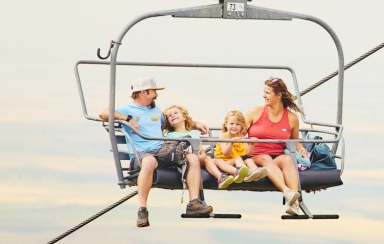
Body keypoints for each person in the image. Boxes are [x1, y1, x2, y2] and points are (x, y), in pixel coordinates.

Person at [99, 77, 212, 228]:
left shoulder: (156, 111)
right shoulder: (128, 109)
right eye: (154, 92)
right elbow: (104, 113)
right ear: (144, 92)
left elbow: (171, 123)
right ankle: (142, 209)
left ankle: (194, 203)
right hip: (142, 154)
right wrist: (127, 119)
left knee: (191, 157)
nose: (156, 95)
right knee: (149, 161)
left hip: (162, 152)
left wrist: (194, 124)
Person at [246, 77, 309, 215]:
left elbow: (295, 141)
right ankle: (287, 192)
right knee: (265, 159)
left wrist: (302, 149)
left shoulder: (291, 118)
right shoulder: (255, 112)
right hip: (255, 156)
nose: (264, 95)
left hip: (277, 156)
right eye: (264, 92)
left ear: (278, 95)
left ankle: (294, 205)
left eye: (267, 93)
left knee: (287, 159)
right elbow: (237, 132)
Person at [211, 110, 268, 189]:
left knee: (249, 160)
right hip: (226, 162)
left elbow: (249, 153)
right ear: (226, 124)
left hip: (238, 162)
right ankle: (245, 172)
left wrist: (251, 144)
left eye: (238, 124)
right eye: (231, 124)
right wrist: (231, 143)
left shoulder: (241, 137)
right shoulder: (223, 136)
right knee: (237, 158)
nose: (234, 126)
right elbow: (225, 153)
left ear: (241, 126)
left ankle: (255, 171)